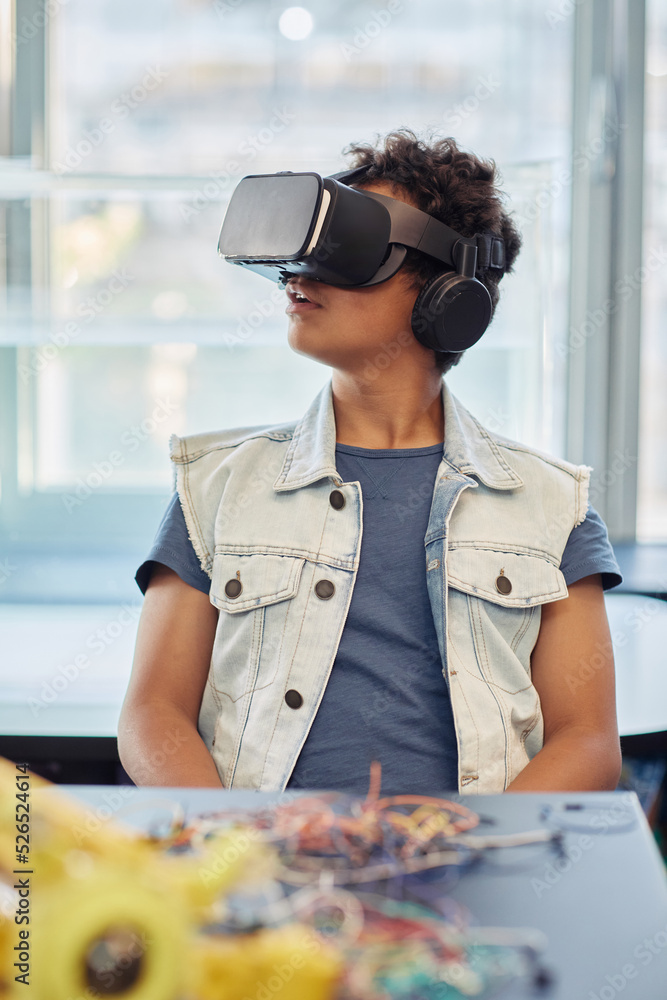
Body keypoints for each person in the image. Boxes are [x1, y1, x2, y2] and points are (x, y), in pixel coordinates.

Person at [117, 129, 623, 796]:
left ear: (446, 292)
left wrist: (466, 849)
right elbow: (152, 716)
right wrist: (238, 848)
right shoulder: (216, 487)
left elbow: (586, 739)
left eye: (349, 250)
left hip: (467, 875)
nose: (299, 275)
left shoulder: (549, 504)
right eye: (301, 252)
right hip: (263, 876)